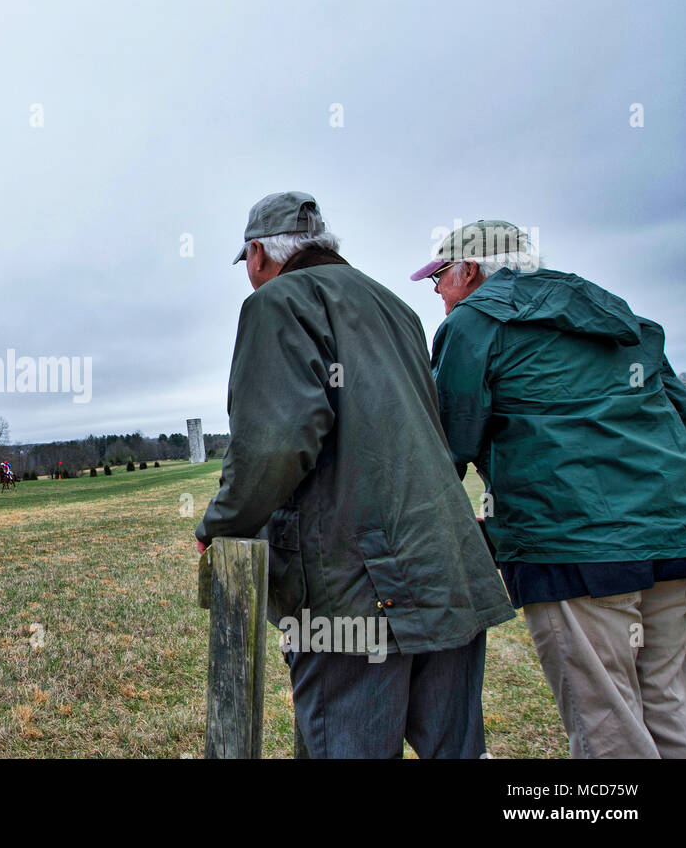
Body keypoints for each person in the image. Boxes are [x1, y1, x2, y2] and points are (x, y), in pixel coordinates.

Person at [194, 191, 513, 758]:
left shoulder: (277, 304)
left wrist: (220, 524)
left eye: (247, 262)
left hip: (355, 587)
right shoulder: (396, 306)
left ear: (259, 254)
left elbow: (273, 445)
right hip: (446, 568)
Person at [415, 219, 686, 758]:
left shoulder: (474, 323)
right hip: (675, 536)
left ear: (469, 271)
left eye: (440, 277)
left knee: (608, 727)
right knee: (671, 709)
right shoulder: (612, 310)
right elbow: (678, 408)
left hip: (573, 548)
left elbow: (446, 442)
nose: (439, 293)